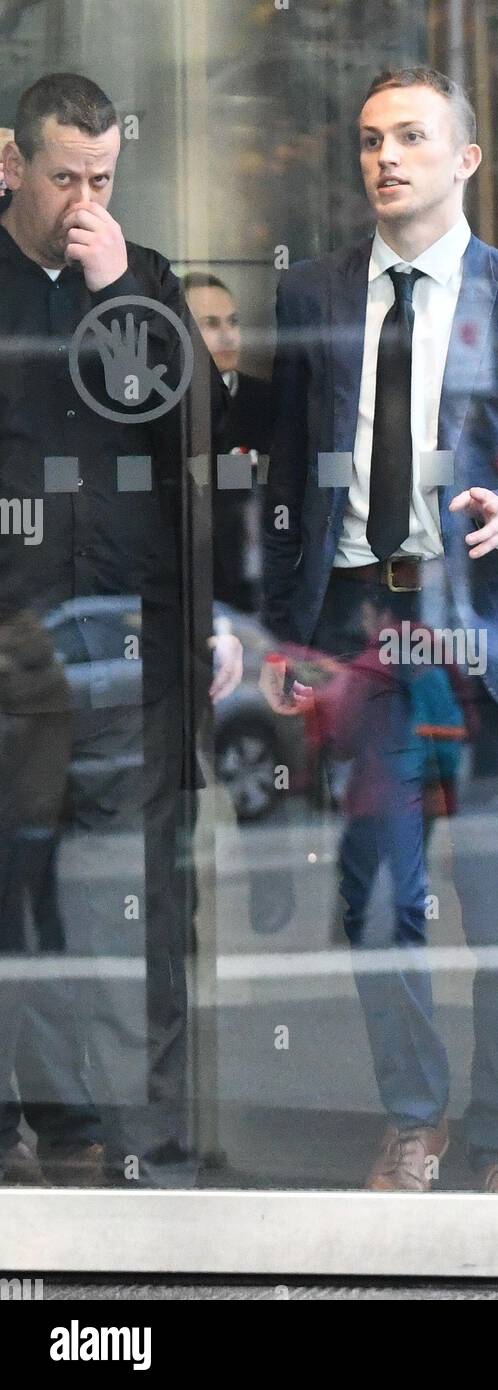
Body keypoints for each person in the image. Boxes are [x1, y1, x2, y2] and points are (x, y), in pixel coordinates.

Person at [261, 67, 498, 1194]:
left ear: (464, 161)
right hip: (364, 627)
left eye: (409, 137)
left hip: (485, 629)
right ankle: (413, 1117)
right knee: (377, 891)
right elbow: (289, 474)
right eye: (367, 140)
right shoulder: (310, 296)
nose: (384, 157)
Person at [0, 73, 242, 1188]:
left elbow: (191, 429)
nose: (82, 200)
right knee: (21, 889)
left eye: (101, 179)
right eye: (62, 178)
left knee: (139, 894)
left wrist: (114, 296)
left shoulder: (138, 281)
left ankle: (140, 1137)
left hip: (131, 647)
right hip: (16, 645)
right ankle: (47, 1118)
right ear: (11, 163)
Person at [183, 272, 272, 610]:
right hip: (187, 583)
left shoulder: (270, 402)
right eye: (210, 323)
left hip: (255, 584)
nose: (227, 335)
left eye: (233, 322)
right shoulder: (161, 409)